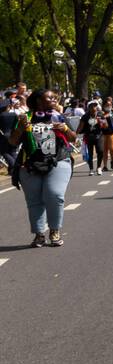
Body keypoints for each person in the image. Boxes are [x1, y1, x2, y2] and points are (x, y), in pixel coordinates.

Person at [7, 89, 76, 246]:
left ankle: (54, 230)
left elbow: (74, 139)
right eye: (49, 97)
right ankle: (39, 234)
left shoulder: (59, 116)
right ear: (38, 101)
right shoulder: (25, 117)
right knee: (34, 200)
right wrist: (20, 128)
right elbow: (12, 142)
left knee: (55, 194)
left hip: (58, 161)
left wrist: (65, 129)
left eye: (54, 98)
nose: (53, 99)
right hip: (30, 164)